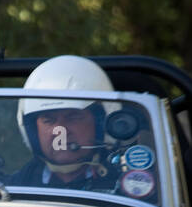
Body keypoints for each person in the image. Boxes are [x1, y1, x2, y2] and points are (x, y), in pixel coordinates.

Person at [7, 55, 124, 190]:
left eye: (73, 117)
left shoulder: (130, 186)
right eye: (48, 120)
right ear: (32, 129)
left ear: (101, 122)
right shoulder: (13, 189)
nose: (60, 130)